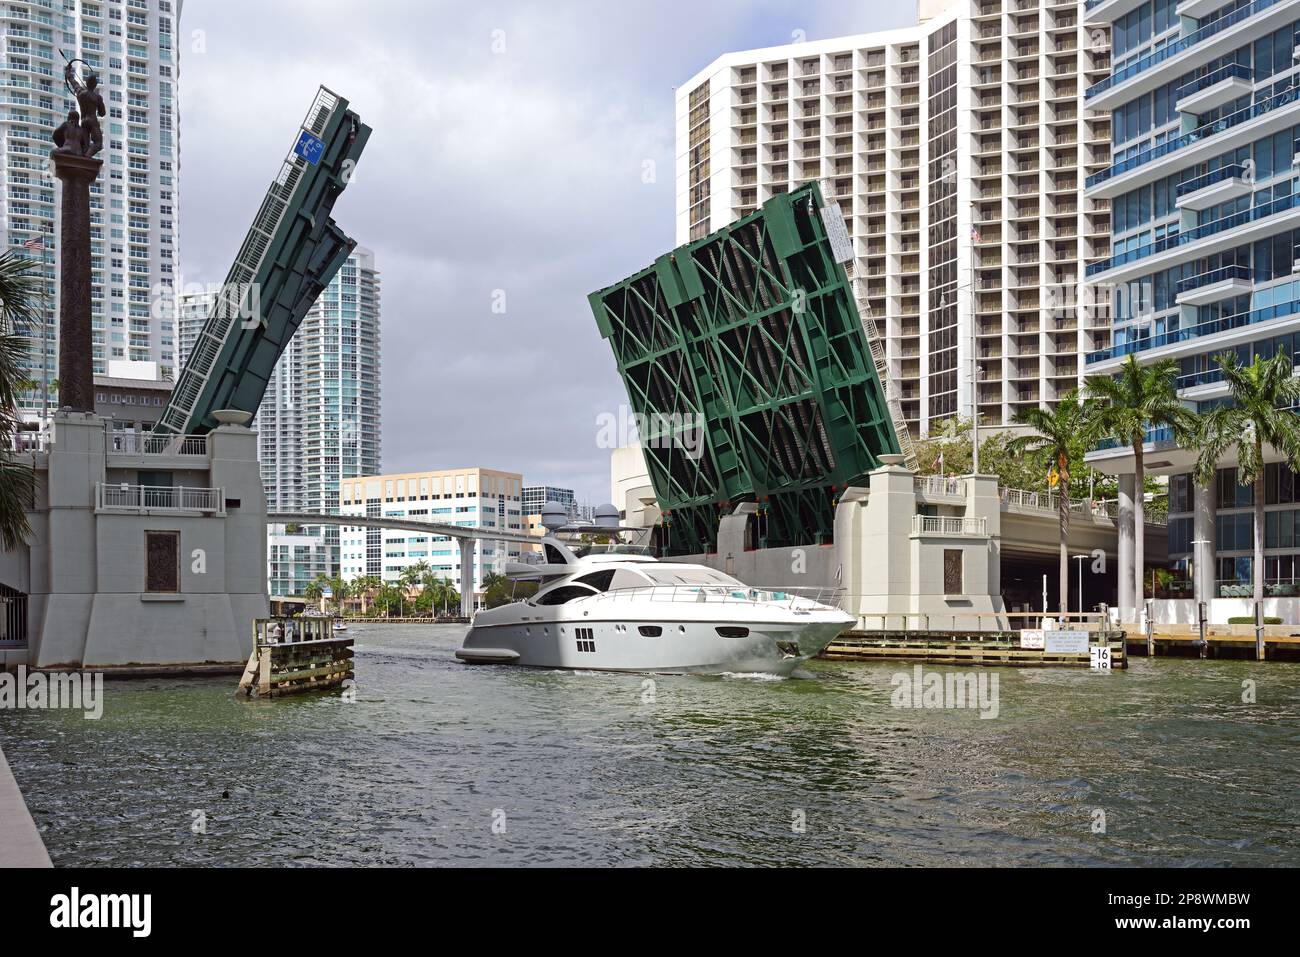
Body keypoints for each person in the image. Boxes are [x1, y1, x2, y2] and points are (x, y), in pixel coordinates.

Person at [64, 62, 105, 157]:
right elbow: (102, 113)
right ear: (95, 84)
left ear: (86, 83)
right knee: (98, 144)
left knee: (85, 146)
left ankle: (85, 157)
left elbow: (73, 82)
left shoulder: (80, 92)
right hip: (92, 121)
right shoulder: (97, 97)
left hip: (83, 122)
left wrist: (68, 73)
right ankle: (87, 157)